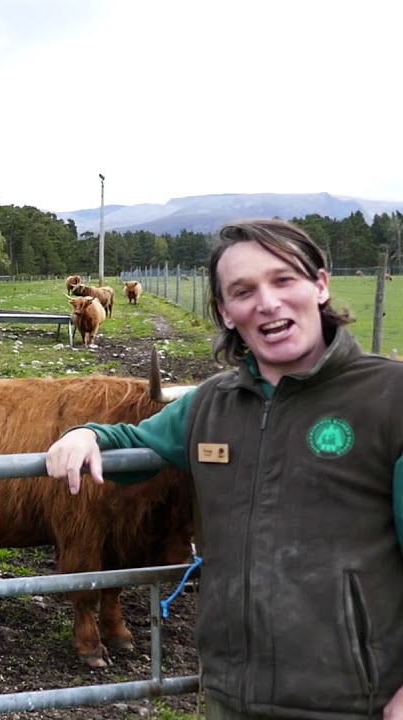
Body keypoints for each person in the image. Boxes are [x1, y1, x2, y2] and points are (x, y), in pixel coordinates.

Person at [45, 218, 403, 720]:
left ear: (320, 284)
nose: (268, 303)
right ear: (225, 313)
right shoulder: (211, 404)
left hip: (354, 699)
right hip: (232, 693)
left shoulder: (390, 400)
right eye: (243, 290)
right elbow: (138, 441)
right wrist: (88, 433)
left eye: (284, 280)